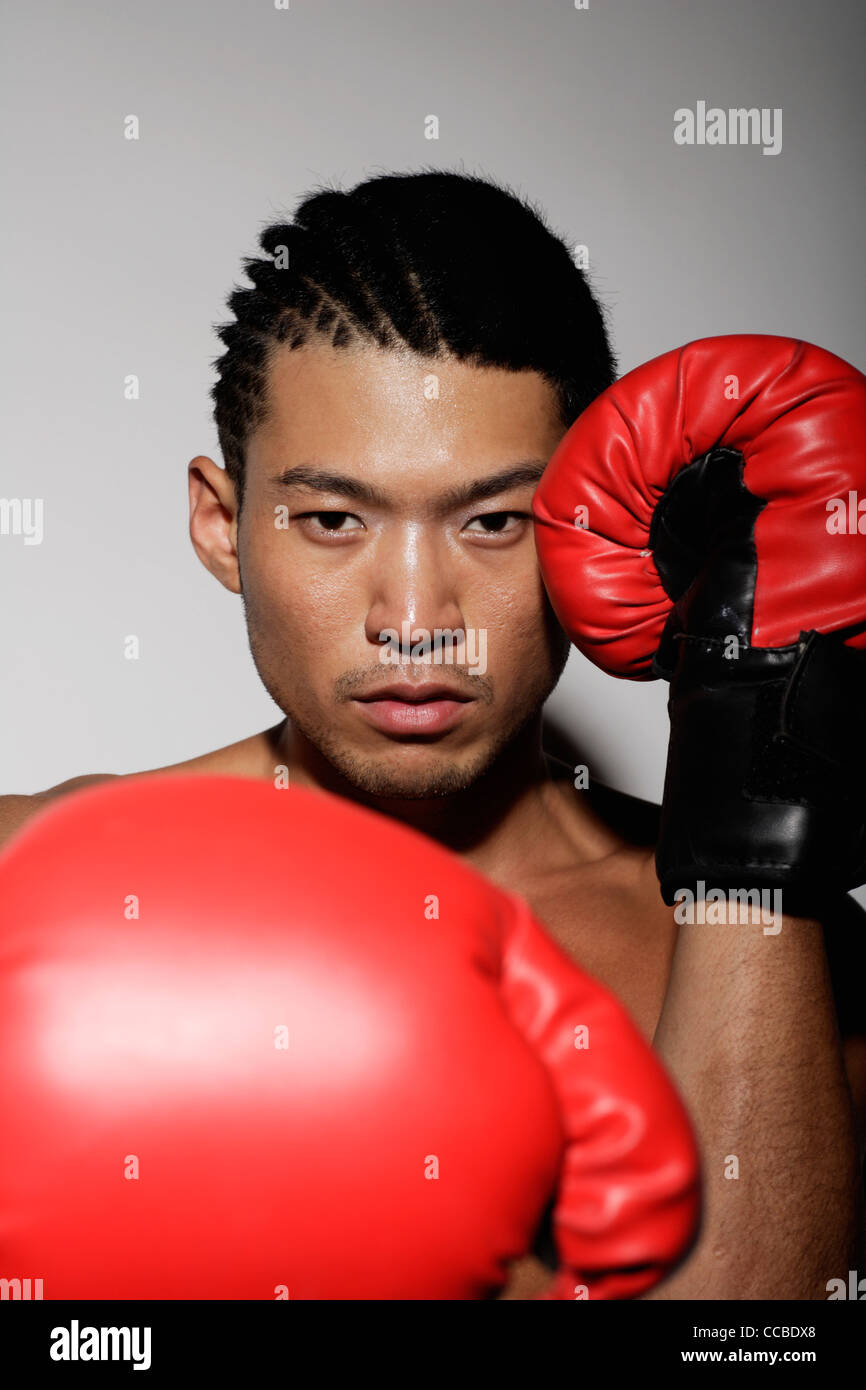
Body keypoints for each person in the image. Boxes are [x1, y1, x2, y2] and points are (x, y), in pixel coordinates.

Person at [2, 169, 863, 1298]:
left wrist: (752, 754)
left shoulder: (778, 957)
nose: (414, 622)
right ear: (222, 526)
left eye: (495, 520)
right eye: (332, 520)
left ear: (600, 526)